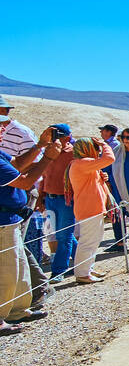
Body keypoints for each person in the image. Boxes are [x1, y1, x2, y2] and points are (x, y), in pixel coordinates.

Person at [0, 129, 60, 331]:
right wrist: (48, 159)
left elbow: (16, 164)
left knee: (18, 268)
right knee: (6, 272)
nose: (2, 129)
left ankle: (17, 310)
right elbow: (24, 181)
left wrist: (39, 146)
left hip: (10, 219)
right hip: (2, 221)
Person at [66, 137, 115, 283]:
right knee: (88, 241)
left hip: (92, 208)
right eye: (95, 148)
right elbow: (109, 158)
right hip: (89, 208)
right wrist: (104, 144)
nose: (98, 151)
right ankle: (82, 274)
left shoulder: (84, 164)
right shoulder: (83, 163)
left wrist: (101, 178)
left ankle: (88, 268)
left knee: (94, 240)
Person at [35, 123, 76, 279]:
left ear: (67, 138)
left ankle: (59, 270)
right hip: (50, 199)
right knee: (61, 234)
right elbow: (44, 177)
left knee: (63, 236)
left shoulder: (73, 154)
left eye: (57, 137)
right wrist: (41, 197)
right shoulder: (48, 152)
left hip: (66, 200)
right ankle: (83, 261)